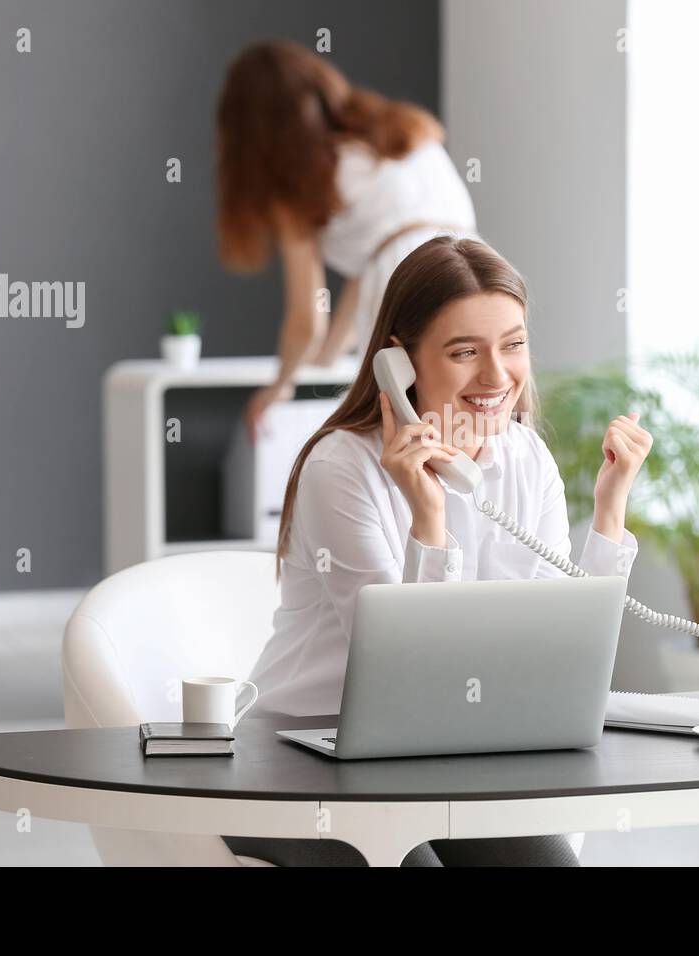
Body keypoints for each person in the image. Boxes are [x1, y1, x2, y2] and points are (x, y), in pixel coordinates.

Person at [220, 236, 653, 866]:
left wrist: (610, 507)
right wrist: (429, 514)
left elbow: (566, 653)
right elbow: (407, 680)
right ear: (400, 363)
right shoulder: (341, 468)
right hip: (293, 765)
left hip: (444, 764)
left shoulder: (525, 457)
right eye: (463, 352)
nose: (497, 376)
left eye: (513, 344)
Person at [215, 39, 478, 441]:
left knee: (404, 437)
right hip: (475, 267)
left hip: (403, 281)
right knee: (475, 422)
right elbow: (371, 266)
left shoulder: (297, 184)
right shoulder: (394, 130)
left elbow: (307, 318)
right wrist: (328, 359)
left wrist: (280, 385)